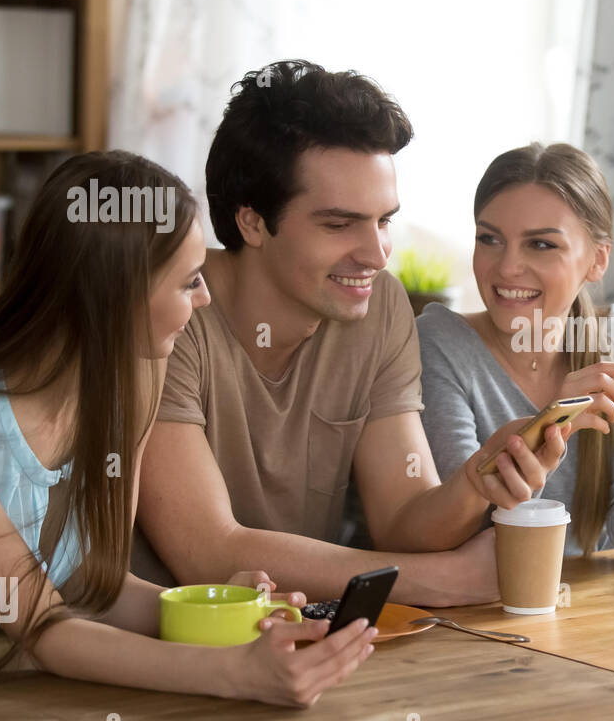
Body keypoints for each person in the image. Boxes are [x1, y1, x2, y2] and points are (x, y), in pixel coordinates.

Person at [0, 151, 372, 707]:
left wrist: (222, 615)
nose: (204, 299)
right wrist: (236, 674)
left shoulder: (129, 387)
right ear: (117, 295)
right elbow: (43, 630)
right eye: (189, 282)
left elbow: (94, 589)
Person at [134, 61, 569, 607]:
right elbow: (206, 551)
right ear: (251, 222)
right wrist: (443, 581)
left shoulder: (378, 305)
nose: (376, 254)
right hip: (162, 649)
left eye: (383, 221)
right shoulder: (171, 315)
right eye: (339, 225)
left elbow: (402, 520)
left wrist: (477, 481)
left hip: (307, 639)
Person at [417, 143, 614, 562]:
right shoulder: (440, 342)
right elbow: (462, 540)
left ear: (597, 260)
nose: (506, 267)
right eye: (490, 239)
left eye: (541, 245)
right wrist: (549, 428)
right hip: (477, 610)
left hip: (585, 614)